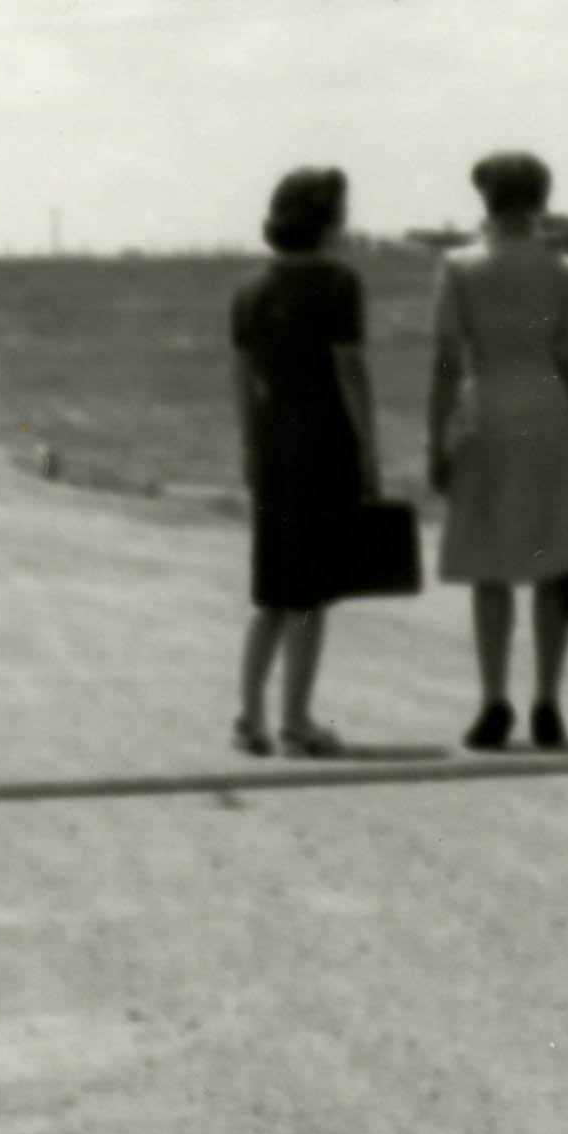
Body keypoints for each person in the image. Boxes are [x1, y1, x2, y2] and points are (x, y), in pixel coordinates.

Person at [427, 149, 568, 752]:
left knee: (490, 565)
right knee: (554, 559)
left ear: (486, 201)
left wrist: (436, 438)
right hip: (550, 412)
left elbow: (448, 362)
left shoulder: (458, 267)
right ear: (541, 200)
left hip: (487, 410)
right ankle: (548, 700)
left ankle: (493, 699)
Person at [226, 163, 378, 758]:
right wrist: (369, 450)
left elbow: (240, 375)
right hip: (325, 443)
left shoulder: (247, 289)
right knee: (311, 595)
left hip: (269, 443)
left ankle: (250, 717)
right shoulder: (341, 283)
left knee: (271, 591)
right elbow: (351, 371)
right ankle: (296, 721)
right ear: (327, 218)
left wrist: (245, 442)